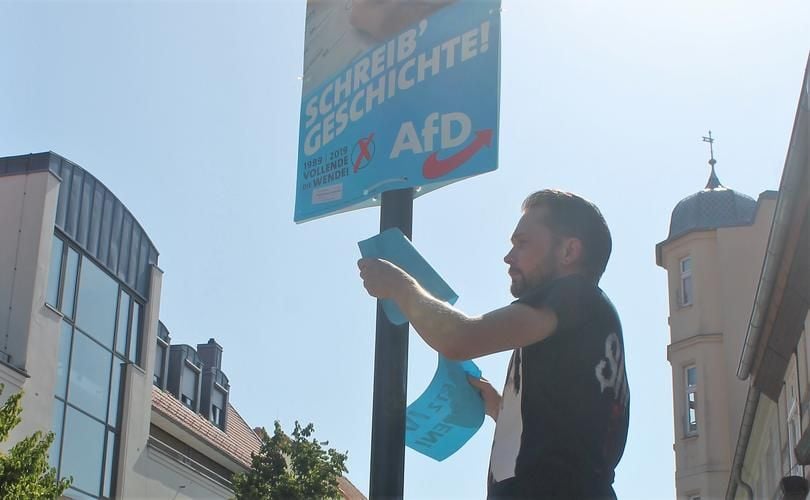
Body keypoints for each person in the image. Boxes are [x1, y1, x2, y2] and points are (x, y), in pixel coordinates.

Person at [357, 189, 629, 499]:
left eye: (522, 243)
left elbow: (460, 338)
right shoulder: (591, 318)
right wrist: (500, 407)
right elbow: (567, 439)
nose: (509, 257)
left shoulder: (574, 294)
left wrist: (399, 285)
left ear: (569, 251)